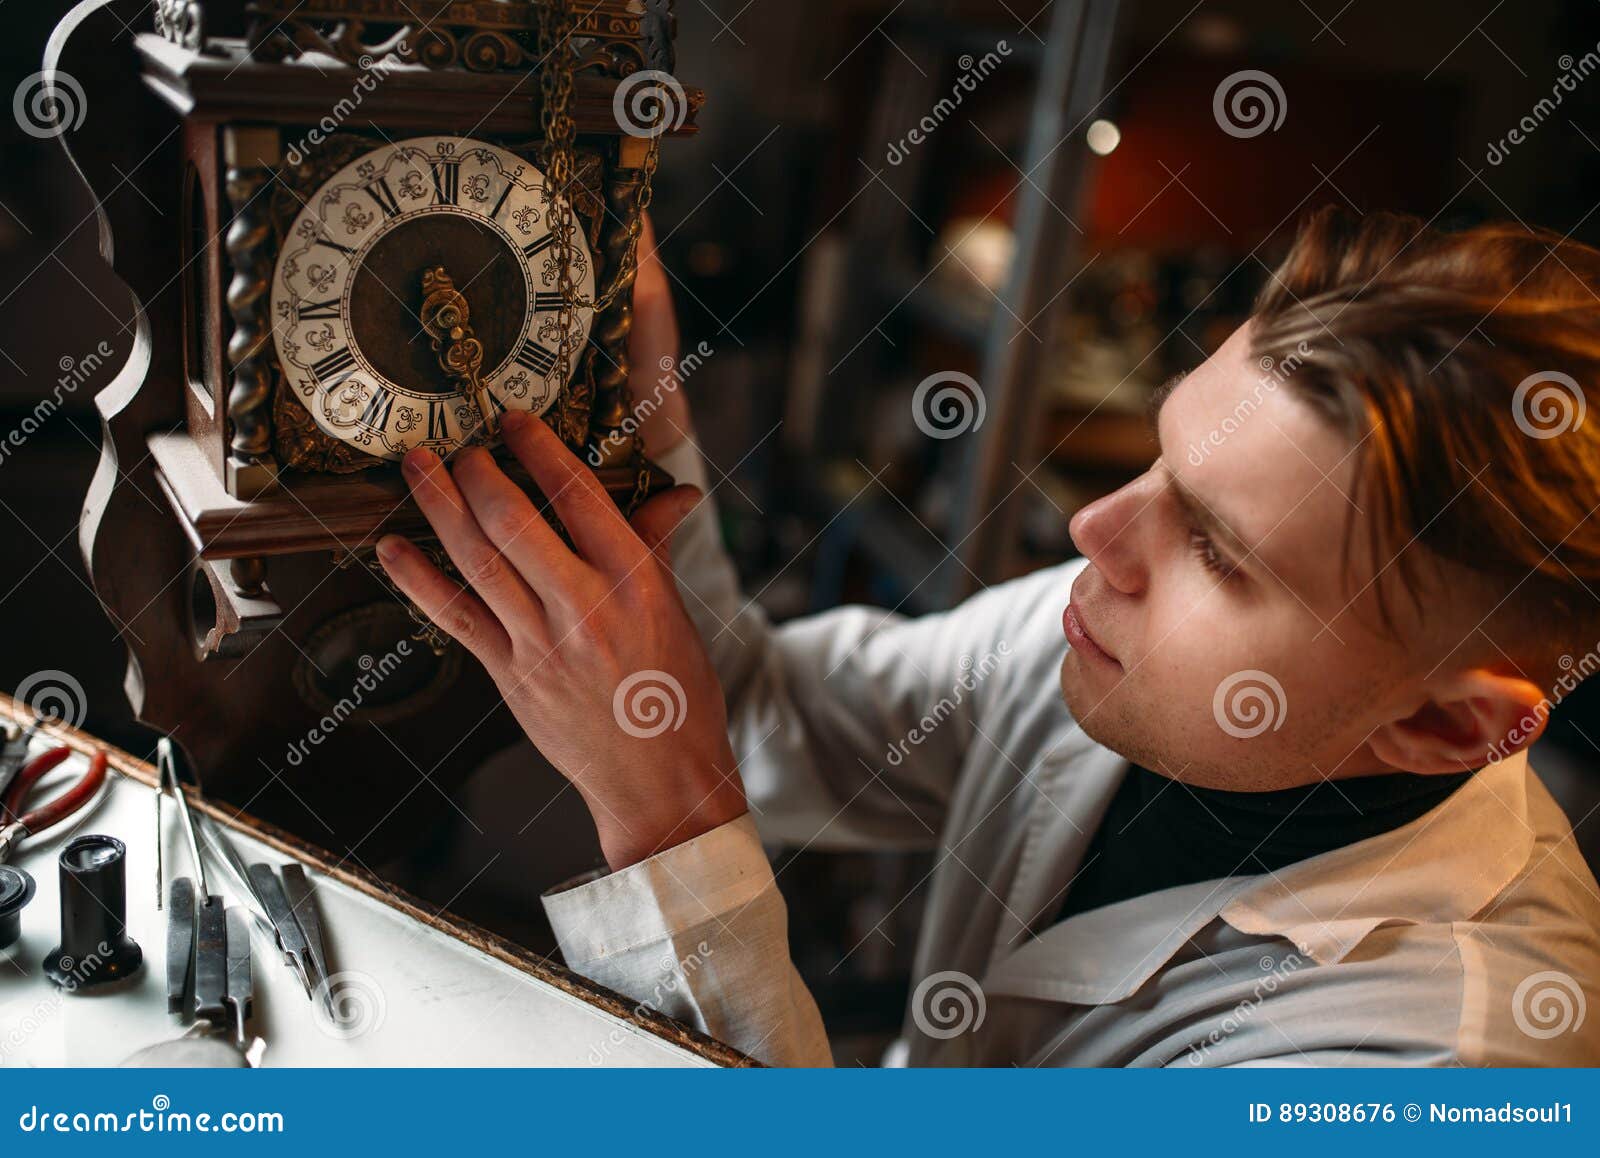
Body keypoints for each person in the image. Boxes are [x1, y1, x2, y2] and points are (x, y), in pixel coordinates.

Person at [377, 206, 1600, 1067]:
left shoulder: (1437, 1066)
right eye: (1159, 462)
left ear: (1444, 724)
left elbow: (709, 763)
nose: (1096, 531)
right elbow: (762, 718)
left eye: (1220, 551)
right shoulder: (1110, 635)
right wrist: (629, 400)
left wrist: (667, 828)